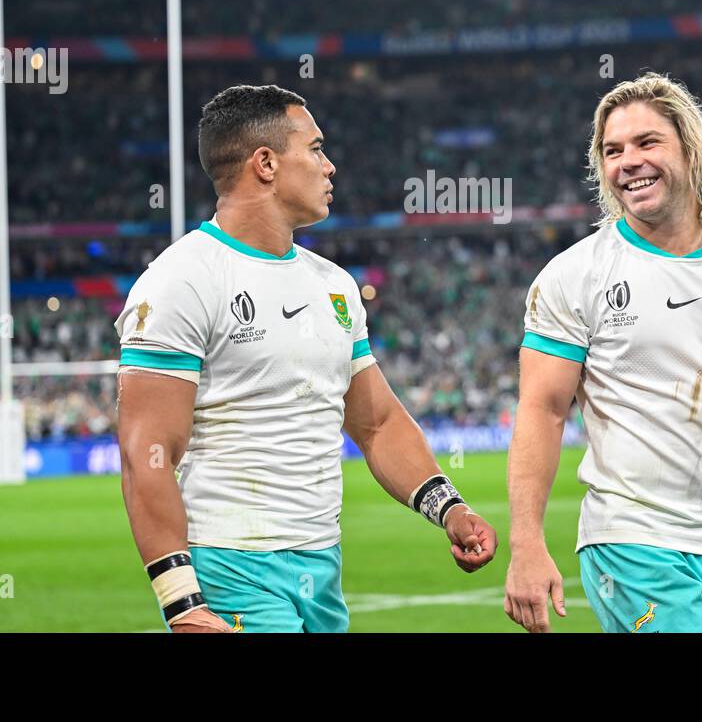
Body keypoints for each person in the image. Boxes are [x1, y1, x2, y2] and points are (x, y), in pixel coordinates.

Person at [115, 84, 497, 632]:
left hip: (321, 566)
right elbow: (146, 450)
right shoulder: (183, 281)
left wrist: (450, 508)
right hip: (231, 565)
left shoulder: (334, 286)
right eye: (316, 149)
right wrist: (182, 601)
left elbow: (378, 423)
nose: (331, 166)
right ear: (265, 163)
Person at [504, 72, 702, 633]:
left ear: (691, 149)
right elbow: (543, 410)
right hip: (630, 538)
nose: (628, 160)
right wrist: (527, 544)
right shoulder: (575, 275)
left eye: (647, 143)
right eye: (612, 150)